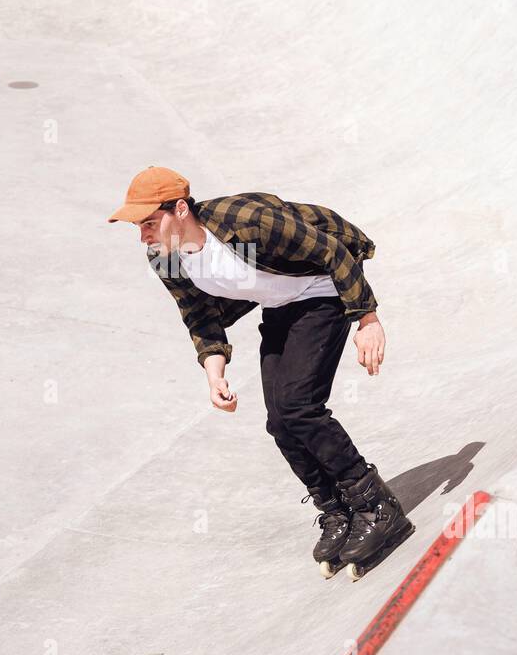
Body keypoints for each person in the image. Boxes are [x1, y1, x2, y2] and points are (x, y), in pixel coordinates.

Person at [107, 165, 411, 575]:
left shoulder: (244, 224)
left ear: (180, 209)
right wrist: (214, 373)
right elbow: (199, 316)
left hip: (323, 290)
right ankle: (338, 510)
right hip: (281, 305)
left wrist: (367, 319)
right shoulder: (166, 258)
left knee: (300, 407)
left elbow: (332, 252)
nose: (143, 236)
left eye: (148, 223)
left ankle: (377, 506)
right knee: (281, 423)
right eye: (137, 227)